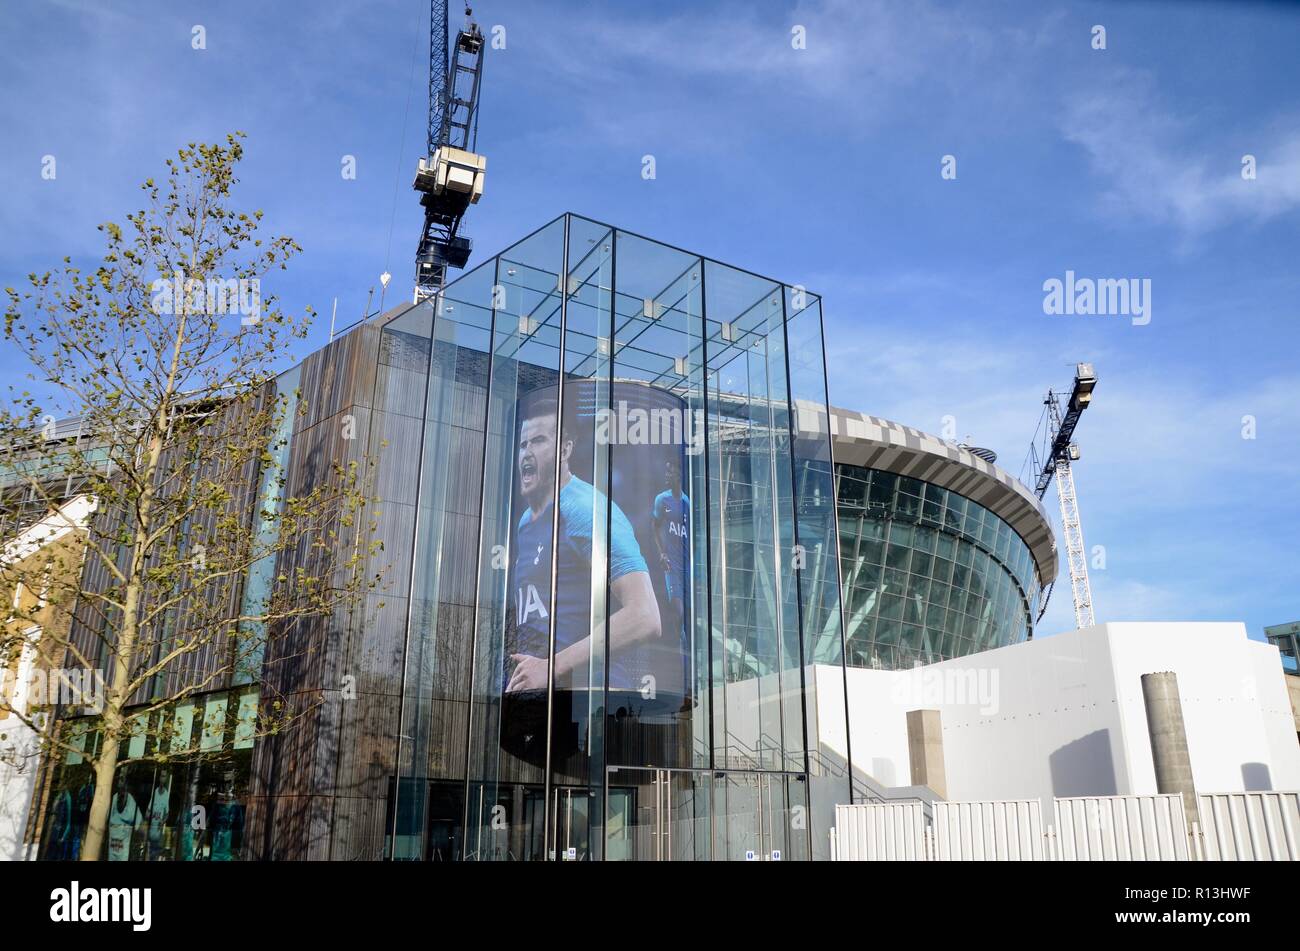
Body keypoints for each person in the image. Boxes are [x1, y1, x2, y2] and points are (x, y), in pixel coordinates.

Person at [503, 398, 660, 762]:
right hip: (543, 705)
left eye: (539, 441)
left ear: (566, 449)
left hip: (593, 709)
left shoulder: (585, 512)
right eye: (523, 444)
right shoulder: (526, 522)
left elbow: (646, 615)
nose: (527, 451)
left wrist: (552, 667)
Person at [651, 456, 691, 646]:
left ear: (679, 475)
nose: (666, 475)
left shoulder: (687, 503)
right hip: (671, 564)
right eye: (665, 471)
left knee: (687, 609)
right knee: (678, 608)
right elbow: (655, 526)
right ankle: (680, 641)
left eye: (670, 471)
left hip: (686, 564)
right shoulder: (661, 499)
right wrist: (662, 553)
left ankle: (684, 640)